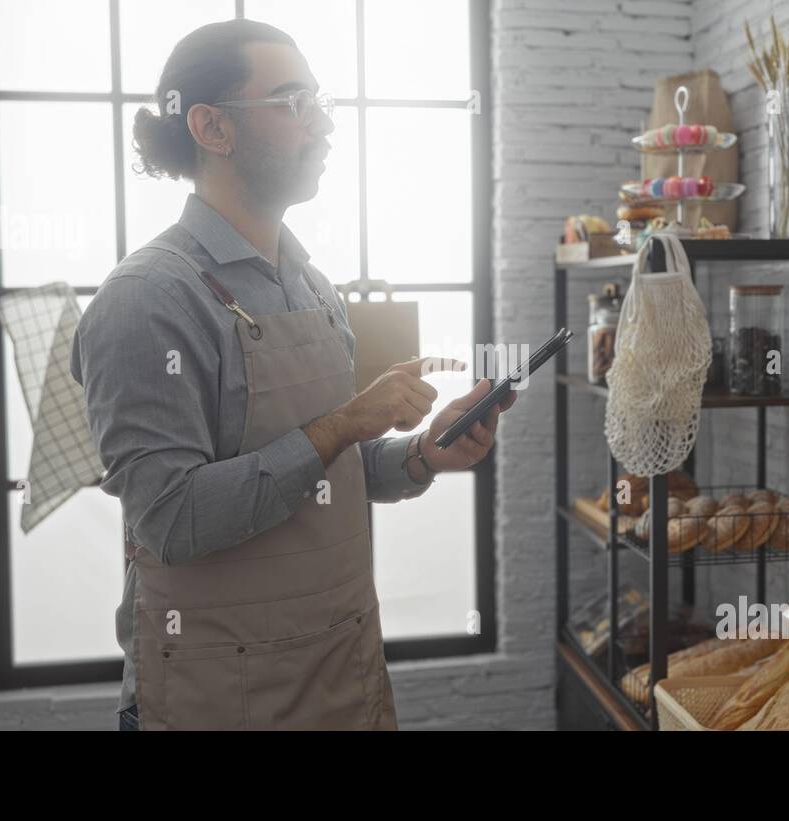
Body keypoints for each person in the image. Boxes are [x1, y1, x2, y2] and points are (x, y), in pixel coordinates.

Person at [70, 19, 512, 731]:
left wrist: (424, 453)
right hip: (214, 697)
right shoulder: (147, 298)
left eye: (320, 102)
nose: (324, 126)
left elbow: (333, 465)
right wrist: (346, 420)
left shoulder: (309, 284)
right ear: (212, 127)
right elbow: (172, 519)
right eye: (293, 101)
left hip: (341, 674)